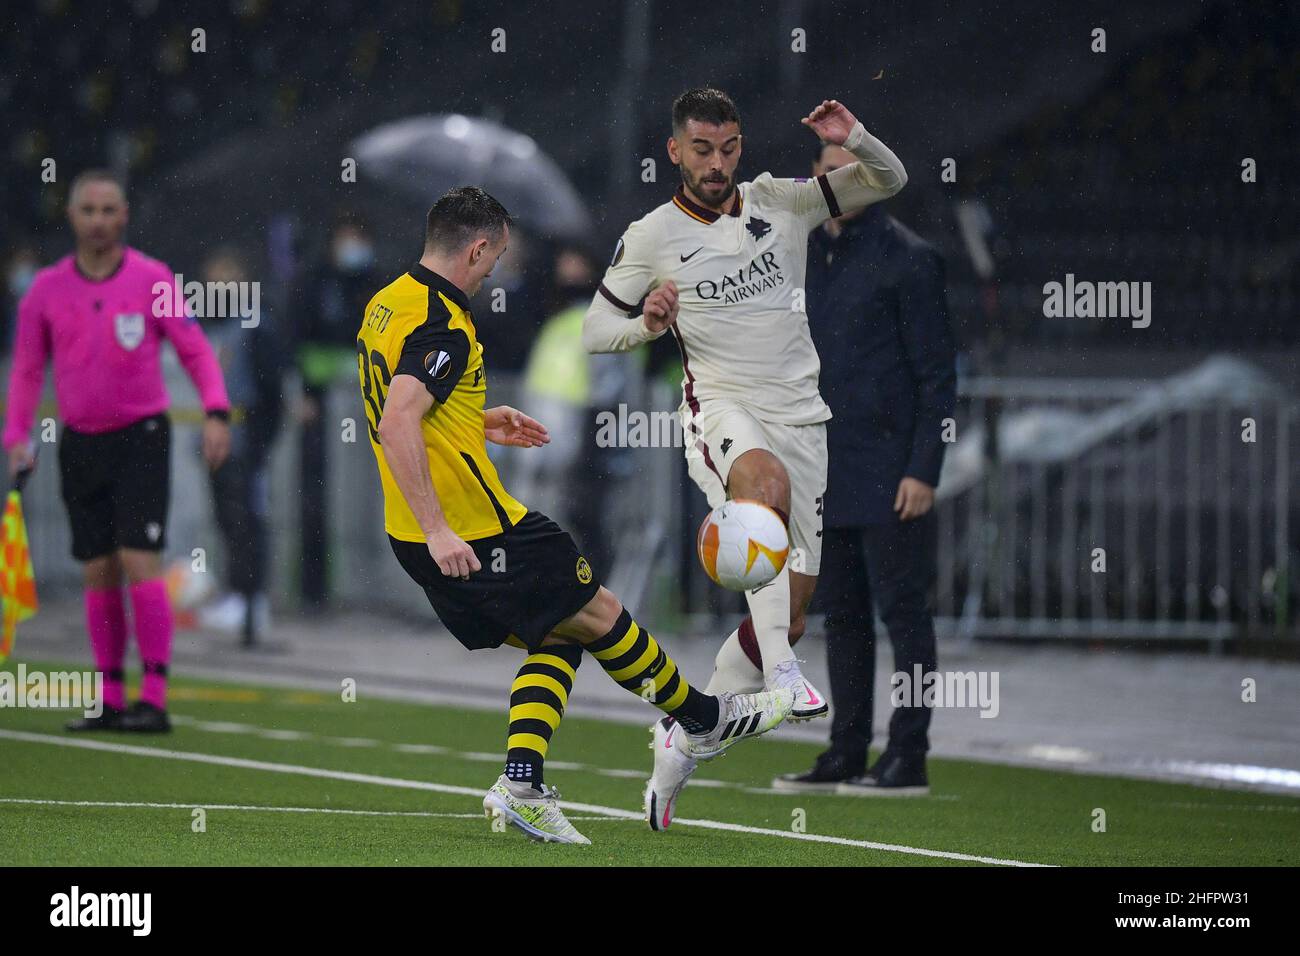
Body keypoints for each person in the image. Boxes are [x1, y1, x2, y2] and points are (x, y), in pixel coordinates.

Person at [358, 186, 792, 845]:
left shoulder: (389, 302)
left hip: (413, 533)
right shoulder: (444, 319)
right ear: (475, 248)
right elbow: (396, 423)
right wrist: (442, 526)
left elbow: (405, 406)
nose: (496, 269)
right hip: (476, 529)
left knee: (559, 632)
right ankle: (701, 718)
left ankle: (523, 784)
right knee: (598, 609)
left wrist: (475, 422)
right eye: (495, 257)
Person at [583, 88, 908, 829]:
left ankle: (685, 737)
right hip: (722, 409)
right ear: (674, 150)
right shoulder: (653, 234)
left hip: (803, 418)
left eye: (728, 148)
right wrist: (646, 324)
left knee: (788, 618)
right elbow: (596, 329)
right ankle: (789, 682)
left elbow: (889, 181)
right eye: (702, 149)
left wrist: (853, 133)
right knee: (761, 486)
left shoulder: (783, 202)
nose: (717, 163)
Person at [3, 169, 231, 732]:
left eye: (109, 210)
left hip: (141, 438)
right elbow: (29, 370)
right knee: (98, 569)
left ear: (124, 215)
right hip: (81, 442)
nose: (99, 221)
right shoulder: (46, 291)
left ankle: (153, 696)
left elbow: (196, 350)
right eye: (88, 210)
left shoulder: (152, 279)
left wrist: (216, 412)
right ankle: (108, 696)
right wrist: (15, 436)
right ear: (72, 217)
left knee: (137, 559)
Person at [774, 143, 957, 795]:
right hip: (825, 468)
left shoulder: (909, 258)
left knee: (904, 613)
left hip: (889, 470)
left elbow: (938, 377)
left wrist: (924, 469)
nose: (826, 181)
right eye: (820, 170)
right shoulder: (807, 258)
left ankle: (909, 754)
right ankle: (846, 749)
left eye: (842, 171)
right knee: (842, 615)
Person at [196, 246, 288, 640]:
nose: (222, 283)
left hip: (246, 442)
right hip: (216, 444)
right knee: (226, 520)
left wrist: (261, 441)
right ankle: (235, 594)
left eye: (229, 273)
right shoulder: (207, 327)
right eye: (215, 274)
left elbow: (272, 391)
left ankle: (252, 601)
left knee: (249, 521)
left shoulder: (257, 325)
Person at [296, 213, 383, 610]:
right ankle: (314, 589)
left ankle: (360, 586)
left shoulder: (376, 288)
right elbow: (300, 339)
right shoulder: (315, 284)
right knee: (316, 497)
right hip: (322, 409)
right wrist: (306, 390)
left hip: (368, 408)